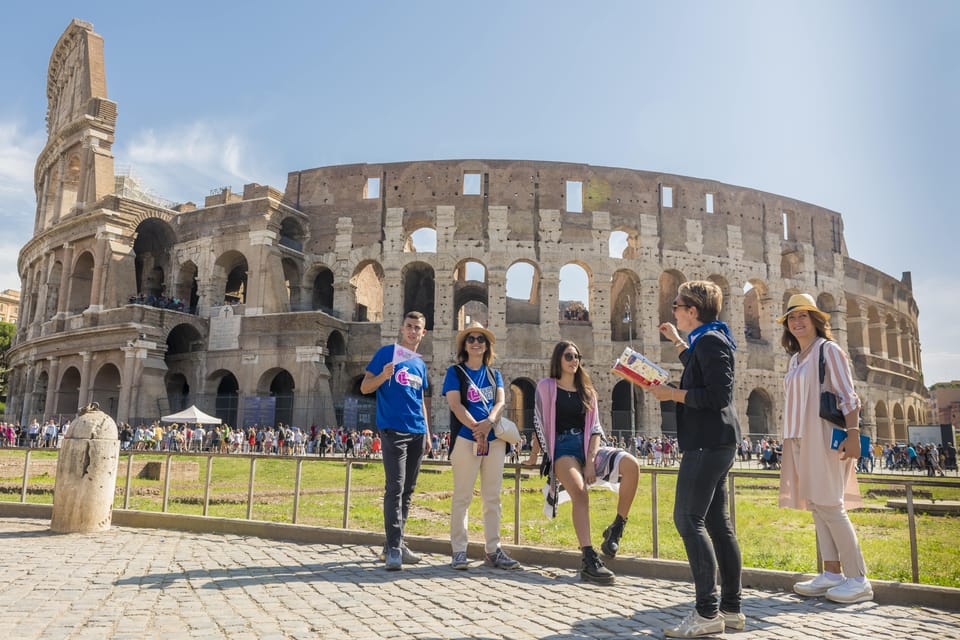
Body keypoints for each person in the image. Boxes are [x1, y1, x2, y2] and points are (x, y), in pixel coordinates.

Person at [638, 280, 744, 637]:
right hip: (716, 440)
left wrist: (672, 394)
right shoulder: (708, 339)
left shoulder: (712, 341)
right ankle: (730, 609)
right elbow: (700, 367)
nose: (674, 310)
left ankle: (707, 612)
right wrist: (678, 343)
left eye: (677, 305)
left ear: (693, 311)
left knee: (687, 519)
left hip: (707, 442)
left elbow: (717, 395)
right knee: (717, 524)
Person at [777, 293, 873, 604]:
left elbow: (848, 395)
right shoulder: (795, 359)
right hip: (799, 437)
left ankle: (858, 578)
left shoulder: (828, 351)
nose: (797, 321)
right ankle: (832, 573)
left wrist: (855, 434)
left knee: (831, 504)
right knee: (817, 506)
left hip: (823, 433)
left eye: (804, 316)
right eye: (792, 317)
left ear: (817, 320)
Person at [523, 341, 640, 585]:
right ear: (558, 359)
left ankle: (616, 527)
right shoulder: (546, 387)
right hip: (562, 448)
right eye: (568, 356)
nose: (574, 360)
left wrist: (590, 462)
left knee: (632, 466)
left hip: (587, 445)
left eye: (577, 355)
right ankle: (588, 558)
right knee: (580, 492)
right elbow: (539, 423)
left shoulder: (588, 391)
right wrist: (534, 457)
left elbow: (595, 429)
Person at [443, 321, 520, 570]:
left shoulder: (493, 373)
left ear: (487, 346)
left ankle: (493, 550)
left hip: (493, 440)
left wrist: (488, 423)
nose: (476, 342)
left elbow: (500, 402)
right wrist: (477, 428)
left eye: (481, 339)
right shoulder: (454, 373)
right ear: (464, 345)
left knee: (492, 497)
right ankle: (458, 551)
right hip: (467, 439)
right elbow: (456, 405)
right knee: (462, 496)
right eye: (471, 339)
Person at [361, 311, 432, 571]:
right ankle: (392, 549)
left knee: (408, 491)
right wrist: (383, 376)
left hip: (417, 431)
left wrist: (427, 432)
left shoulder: (419, 364)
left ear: (423, 334)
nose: (413, 331)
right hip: (393, 430)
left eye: (418, 328)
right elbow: (365, 387)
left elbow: (420, 400)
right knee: (395, 488)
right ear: (402, 329)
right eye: (410, 327)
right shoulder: (387, 353)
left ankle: (397, 543)